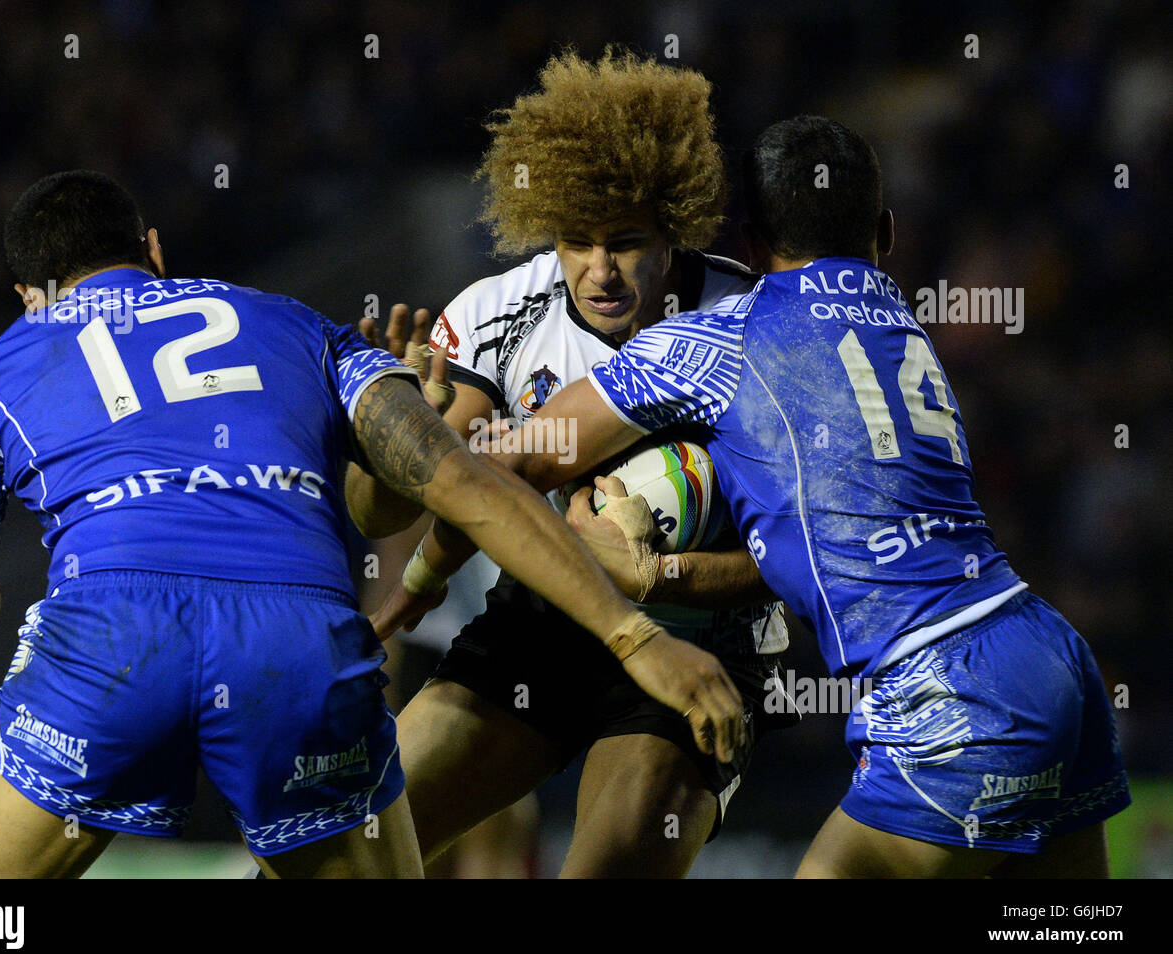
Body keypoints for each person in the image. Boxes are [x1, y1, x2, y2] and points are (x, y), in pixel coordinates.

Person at [0, 170, 744, 879]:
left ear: (29, 295)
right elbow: (465, 491)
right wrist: (636, 636)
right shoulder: (301, 327)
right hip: (293, 640)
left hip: (111, 638)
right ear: (154, 252)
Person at [393, 116, 1132, 877]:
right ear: (884, 232)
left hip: (941, 684)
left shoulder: (721, 332)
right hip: (1050, 652)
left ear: (744, 244)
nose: (602, 267)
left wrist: (418, 561)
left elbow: (497, 470)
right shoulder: (904, 323)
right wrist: (655, 578)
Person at [348, 51, 795, 878]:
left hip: (704, 645)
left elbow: (800, 558)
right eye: (576, 243)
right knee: (345, 844)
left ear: (674, 226)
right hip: (541, 624)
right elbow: (382, 513)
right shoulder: (494, 316)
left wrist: (668, 578)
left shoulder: (756, 327)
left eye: (625, 243)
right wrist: (391, 430)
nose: (599, 270)